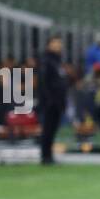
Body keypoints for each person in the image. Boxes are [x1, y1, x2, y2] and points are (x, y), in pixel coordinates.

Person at [37, 35, 68, 165]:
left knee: (53, 128)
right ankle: (45, 156)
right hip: (50, 101)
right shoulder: (46, 60)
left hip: (58, 101)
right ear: (49, 45)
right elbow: (43, 82)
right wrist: (48, 99)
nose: (57, 45)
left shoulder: (57, 61)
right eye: (55, 43)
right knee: (48, 129)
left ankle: (49, 155)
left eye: (59, 43)